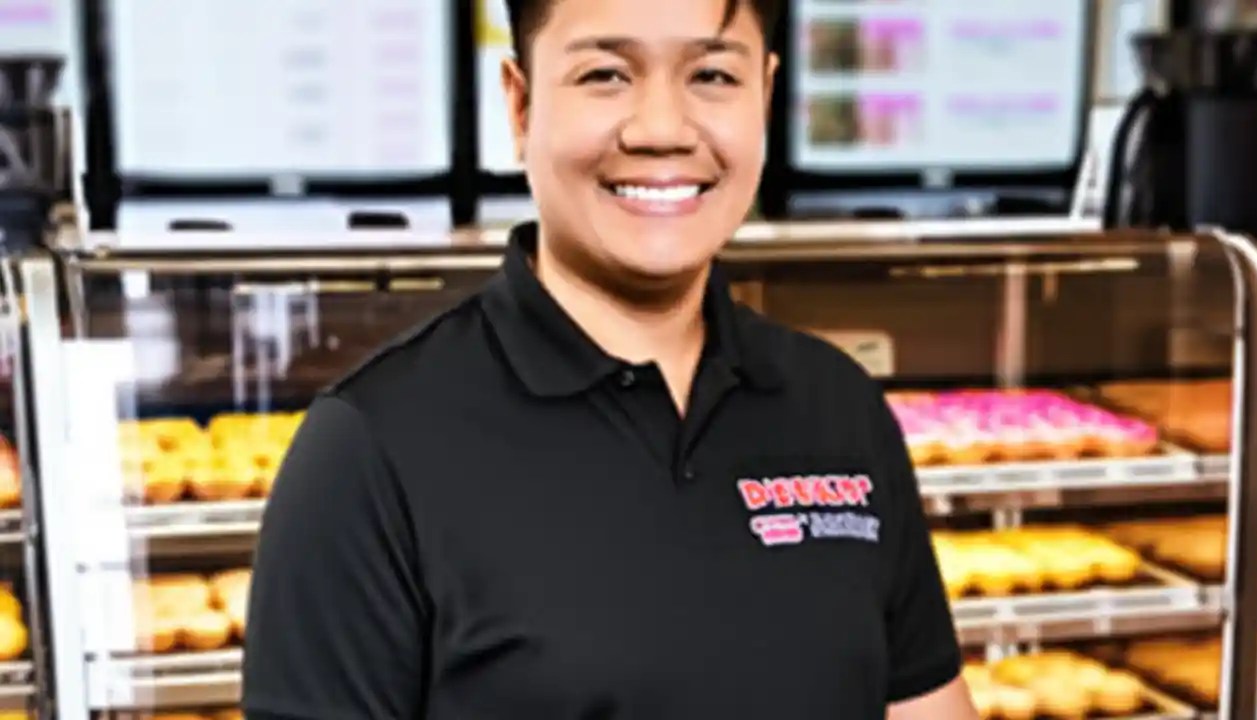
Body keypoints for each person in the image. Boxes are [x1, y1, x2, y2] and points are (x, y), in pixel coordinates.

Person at [242, 0, 977, 717]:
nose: (662, 129)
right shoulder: (369, 449)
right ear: (521, 106)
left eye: (713, 76)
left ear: (766, 95)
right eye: (606, 74)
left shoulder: (838, 405)